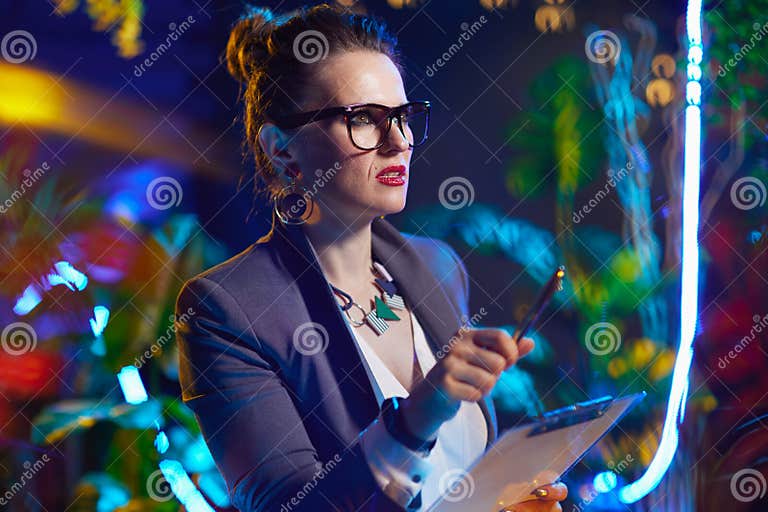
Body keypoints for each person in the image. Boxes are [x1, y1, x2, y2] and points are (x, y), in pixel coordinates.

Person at [175, 3, 568, 511]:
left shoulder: (438, 267)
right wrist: (417, 417)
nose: (399, 142)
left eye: (402, 117)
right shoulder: (226, 308)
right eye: (363, 119)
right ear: (281, 149)